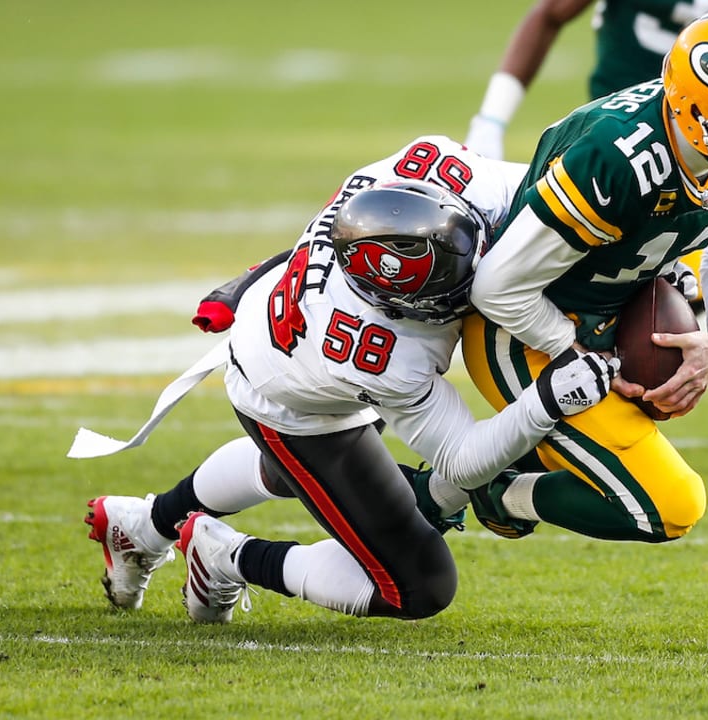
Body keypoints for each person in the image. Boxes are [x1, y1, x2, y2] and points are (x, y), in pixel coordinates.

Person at [82, 136, 617, 623]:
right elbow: (461, 459)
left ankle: (145, 525)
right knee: (419, 584)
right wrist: (547, 401)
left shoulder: (440, 169)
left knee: (291, 475)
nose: (482, 278)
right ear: (400, 303)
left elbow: (555, 201)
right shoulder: (378, 349)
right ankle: (229, 556)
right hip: (289, 396)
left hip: (282, 317)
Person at [420, 9, 708, 544]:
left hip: (602, 316)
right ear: (700, 117)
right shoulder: (617, 157)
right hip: (520, 335)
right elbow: (497, 287)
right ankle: (494, 492)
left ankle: (451, 488)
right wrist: (579, 355)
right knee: (670, 506)